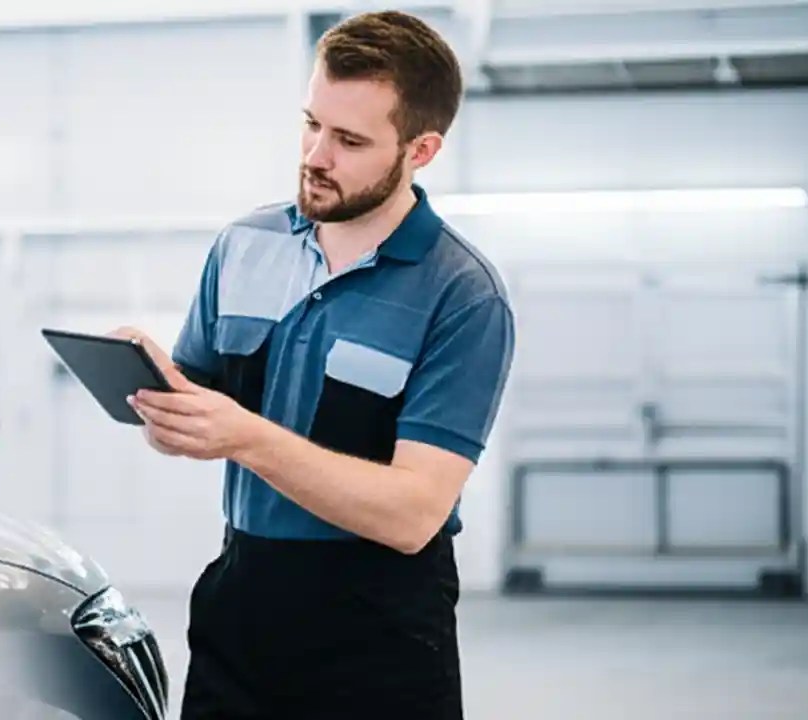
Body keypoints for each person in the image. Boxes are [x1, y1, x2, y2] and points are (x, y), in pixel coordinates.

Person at [111, 10, 514, 719]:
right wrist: (160, 405)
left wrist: (243, 436)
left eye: (350, 140)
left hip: (378, 630)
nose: (316, 155)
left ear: (420, 150)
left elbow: (413, 513)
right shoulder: (244, 245)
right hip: (240, 607)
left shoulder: (462, 294)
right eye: (312, 124)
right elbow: (197, 416)